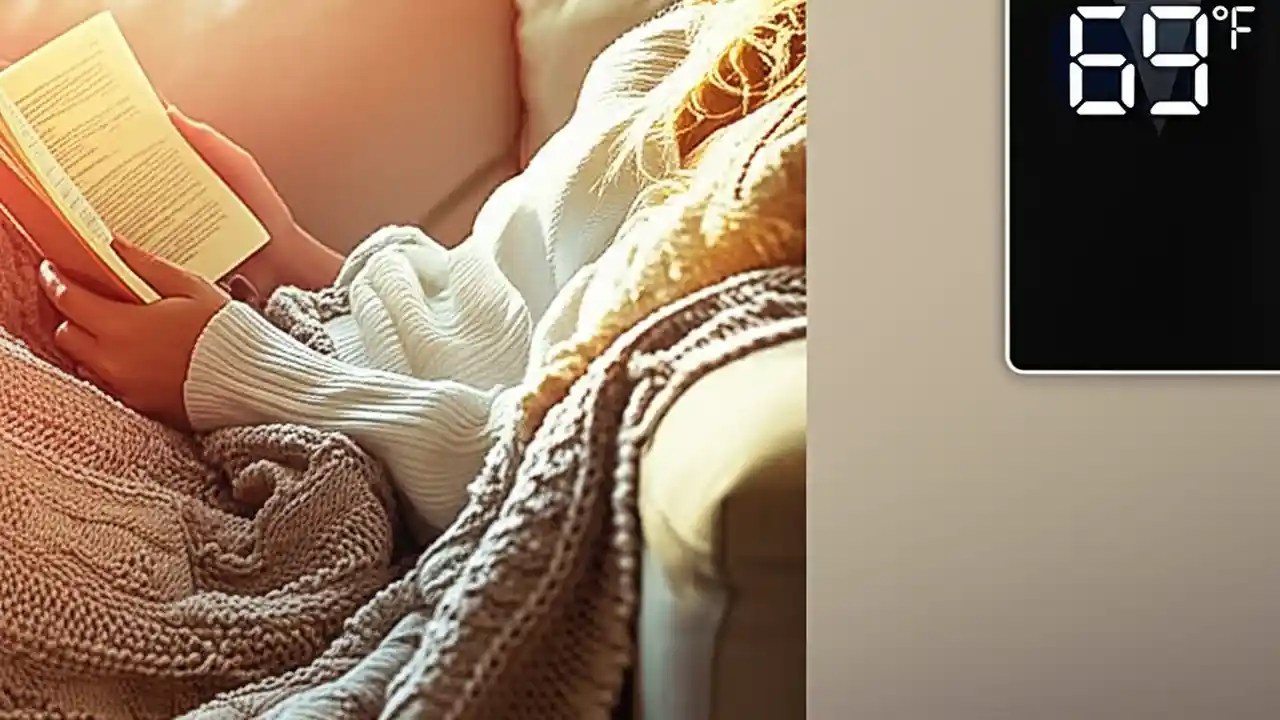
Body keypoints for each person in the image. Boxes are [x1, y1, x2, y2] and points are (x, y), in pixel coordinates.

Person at [34, 0, 798, 540]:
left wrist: (231, 371)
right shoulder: (739, 28)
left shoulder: (792, 173)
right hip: (299, 336)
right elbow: (498, 308)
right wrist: (286, 254)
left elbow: (540, 456)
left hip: (304, 424)